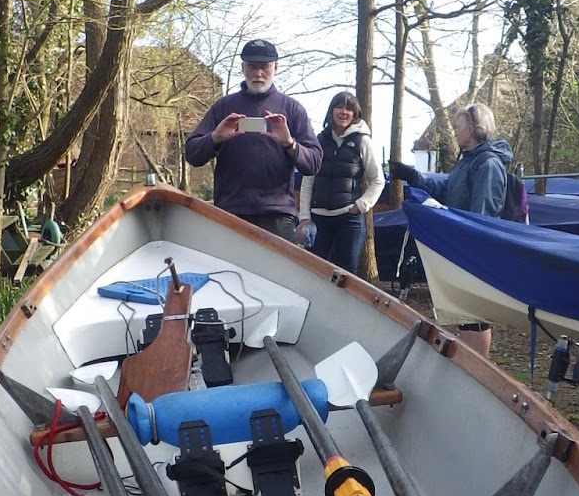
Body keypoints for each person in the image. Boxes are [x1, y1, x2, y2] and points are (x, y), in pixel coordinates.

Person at [388, 102, 513, 357]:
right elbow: (447, 192)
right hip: (463, 248)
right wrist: (412, 176)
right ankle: (470, 365)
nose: (454, 132)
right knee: (467, 314)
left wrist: (468, 246)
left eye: (458, 126)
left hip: (476, 251)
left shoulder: (487, 164)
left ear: (473, 128)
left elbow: (483, 216)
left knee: (475, 315)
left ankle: (478, 368)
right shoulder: (468, 162)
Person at [184, 38, 322, 241]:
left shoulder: (292, 109)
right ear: (243, 67)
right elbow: (192, 154)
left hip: (278, 215)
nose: (258, 73)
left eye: (264, 67)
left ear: (276, 67)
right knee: (227, 273)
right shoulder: (223, 107)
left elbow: (315, 163)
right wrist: (215, 138)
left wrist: (290, 144)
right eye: (251, 66)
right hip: (231, 212)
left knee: (275, 273)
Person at [296, 91, 385, 272]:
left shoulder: (363, 141)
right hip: (318, 219)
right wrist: (304, 217)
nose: (344, 112)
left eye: (349, 108)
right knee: (314, 272)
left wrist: (360, 205)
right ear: (331, 111)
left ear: (355, 114)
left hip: (349, 220)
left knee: (346, 276)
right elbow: (307, 181)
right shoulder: (318, 141)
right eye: (339, 107)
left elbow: (378, 180)